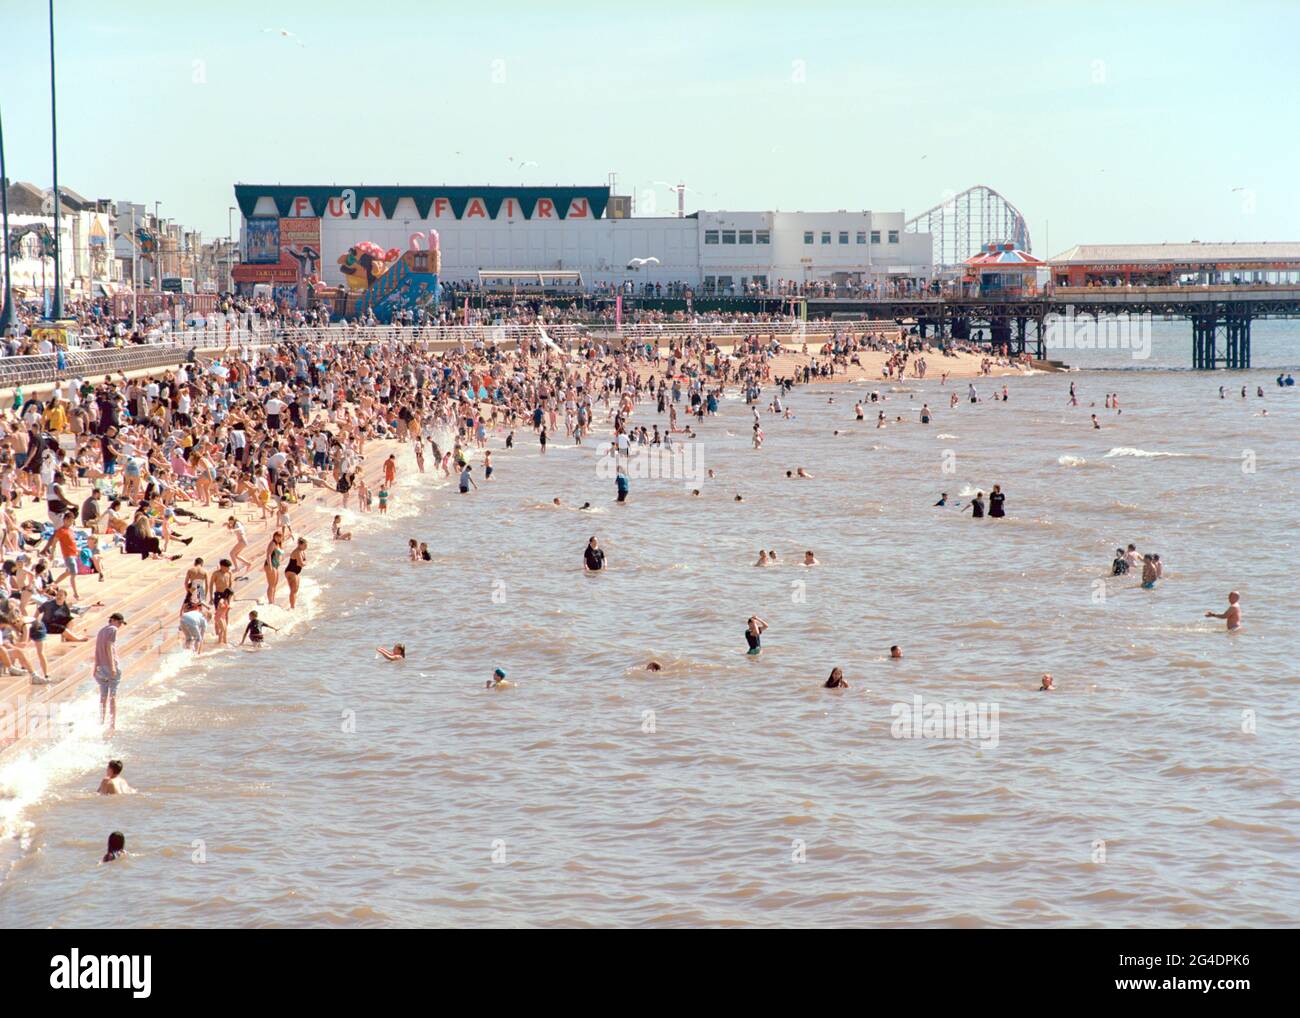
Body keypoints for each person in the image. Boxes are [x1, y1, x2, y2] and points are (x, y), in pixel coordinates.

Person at [94, 612, 126, 734]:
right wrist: (113, 667)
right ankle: (112, 724)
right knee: (113, 696)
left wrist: (96, 667)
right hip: (110, 666)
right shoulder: (113, 630)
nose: (120, 626)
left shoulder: (101, 631)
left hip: (101, 667)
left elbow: (97, 649)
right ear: (113, 621)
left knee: (103, 696)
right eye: (120, 623)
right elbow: (109, 647)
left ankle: (101, 720)